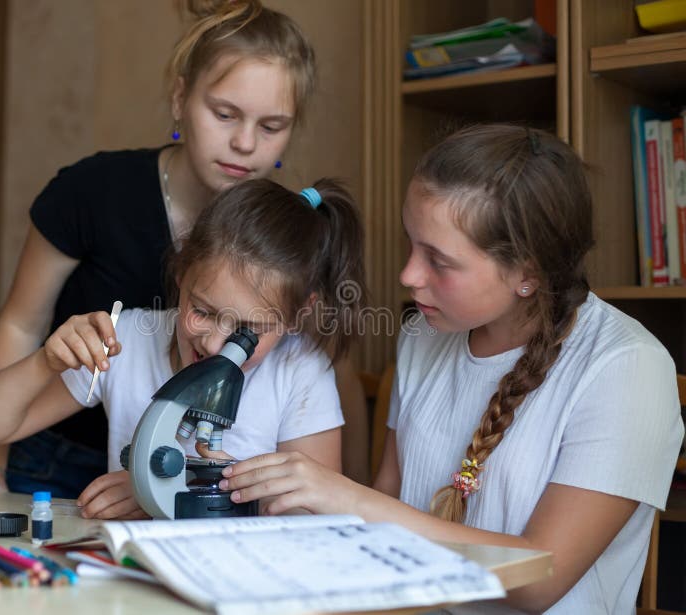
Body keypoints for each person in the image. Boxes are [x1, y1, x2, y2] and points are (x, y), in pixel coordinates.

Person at [0, 0, 369, 500]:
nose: (245, 143)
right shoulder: (94, 196)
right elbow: (19, 330)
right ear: (180, 99)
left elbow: (326, 386)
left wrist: (355, 496)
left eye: (272, 126)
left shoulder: (292, 247)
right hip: (60, 451)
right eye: (225, 114)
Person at [217, 125, 685, 613]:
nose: (408, 275)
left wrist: (348, 500)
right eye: (411, 244)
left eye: (439, 261)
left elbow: (540, 578)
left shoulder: (627, 369)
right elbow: (390, 507)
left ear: (527, 273)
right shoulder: (423, 334)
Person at [0, 177, 364, 519]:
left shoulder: (300, 371)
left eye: (247, 329)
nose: (214, 342)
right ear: (182, 271)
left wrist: (159, 492)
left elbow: (314, 518)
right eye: (202, 311)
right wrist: (45, 361)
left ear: (297, 315)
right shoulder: (127, 340)